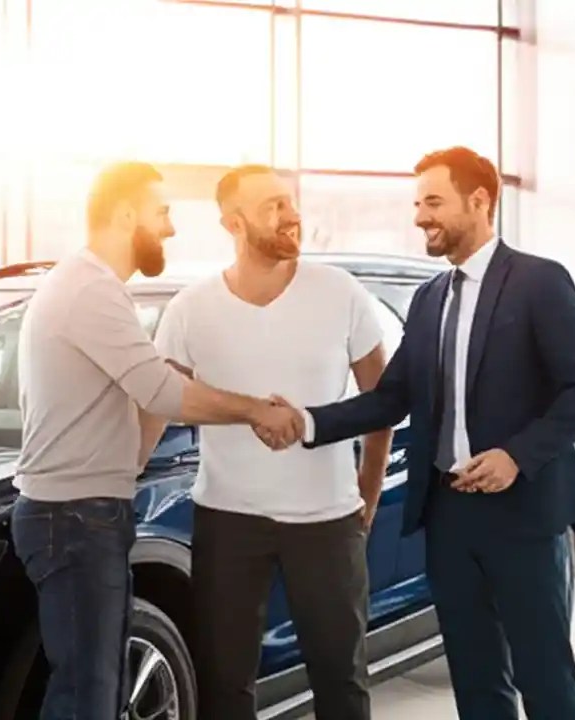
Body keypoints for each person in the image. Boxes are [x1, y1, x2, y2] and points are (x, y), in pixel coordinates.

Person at [291, 146, 575, 720]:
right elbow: (393, 397)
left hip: (527, 514)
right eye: (417, 203)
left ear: (480, 200)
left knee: (543, 674)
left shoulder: (540, 281)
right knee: (476, 676)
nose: (419, 217)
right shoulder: (430, 297)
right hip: (449, 517)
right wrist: (307, 421)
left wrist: (516, 455)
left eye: (433, 201)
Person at [11, 161, 303, 720]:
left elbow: (136, 395)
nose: (170, 229)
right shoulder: (89, 289)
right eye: (163, 213)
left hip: (82, 513)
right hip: (73, 518)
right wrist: (254, 410)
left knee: (99, 686)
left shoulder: (89, 286)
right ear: (125, 214)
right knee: (88, 696)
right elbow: (163, 392)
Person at [151, 165, 390, 720]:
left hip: (327, 522)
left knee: (341, 680)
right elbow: (159, 401)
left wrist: (368, 493)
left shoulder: (339, 292)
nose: (293, 215)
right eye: (273, 206)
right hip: (228, 519)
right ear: (233, 223)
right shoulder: (190, 308)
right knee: (225, 683)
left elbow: (383, 401)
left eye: (291, 202)